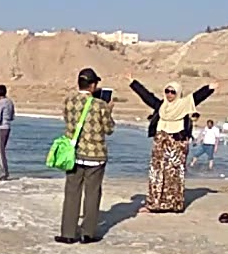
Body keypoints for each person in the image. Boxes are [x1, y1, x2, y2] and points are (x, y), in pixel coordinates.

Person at [129, 77, 217, 214]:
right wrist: (132, 82)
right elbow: (146, 96)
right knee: (157, 173)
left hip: (177, 143)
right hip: (160, 142)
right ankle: (154, 204)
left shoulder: (184, 105)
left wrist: (210, 87)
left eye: (172, 92)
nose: (169, 94)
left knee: (175, 173)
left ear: (178, 93)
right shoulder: (161, 106)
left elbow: (198, 96)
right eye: (167, 91)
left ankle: (174, 204)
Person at [56, 69, 116, 243]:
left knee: (72, 193)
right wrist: (109, 110)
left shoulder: (68, 101)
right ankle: (87, 233)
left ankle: (67, 233)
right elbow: (109, 129)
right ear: (93, 85)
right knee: (92, 193)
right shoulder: (100, 105)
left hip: (74, 154)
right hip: (95, 155)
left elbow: (68, 122)